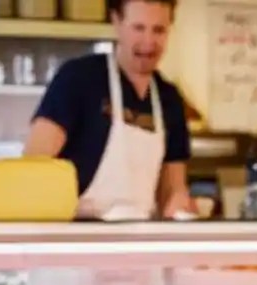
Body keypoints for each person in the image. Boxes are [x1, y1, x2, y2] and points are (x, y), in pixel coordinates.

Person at [23, 0, 195, 219]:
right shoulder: (78, 78)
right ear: (117, 22)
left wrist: (181, 205)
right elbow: (33, 167)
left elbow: (173, 189)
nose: (148, 42)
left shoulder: (169, 99)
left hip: (141, 239)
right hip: (74, 238)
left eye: (159, 30)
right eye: (139, 28)